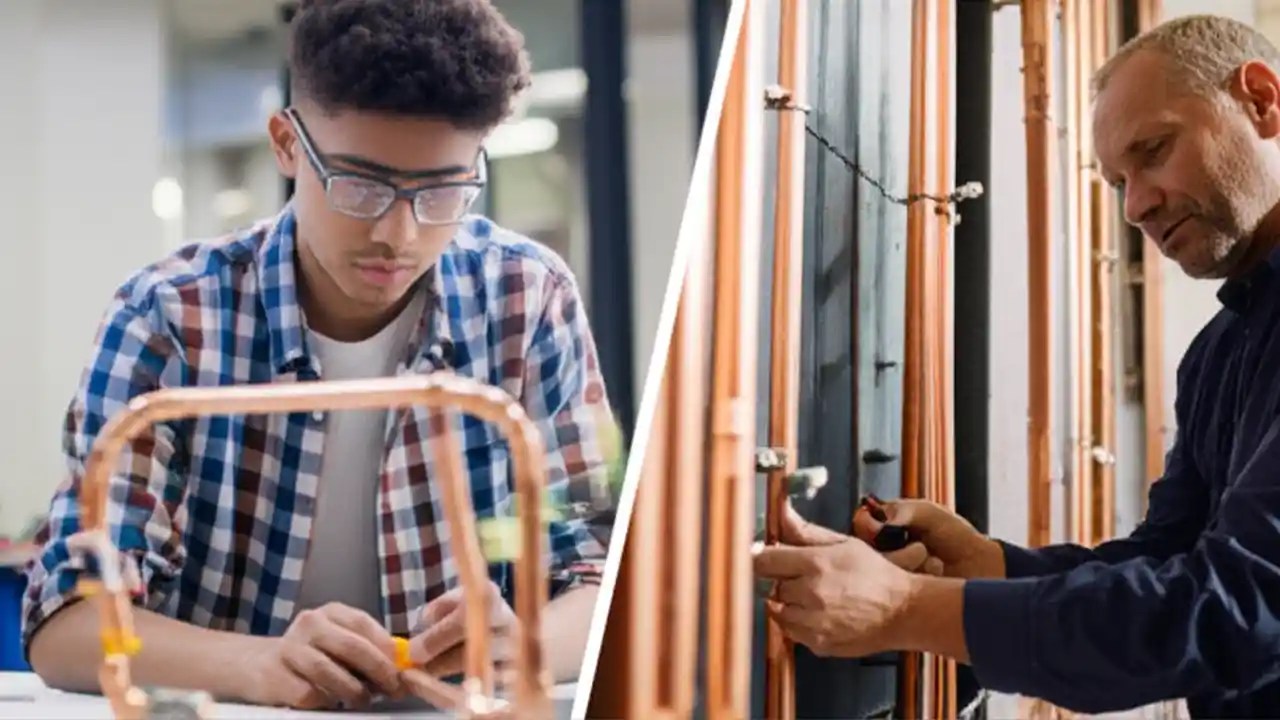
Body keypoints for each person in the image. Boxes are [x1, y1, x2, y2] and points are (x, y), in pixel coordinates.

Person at [22, 0, 612, 711]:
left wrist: (527, 643)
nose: (398, 234)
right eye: (360, 186)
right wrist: (255, 664)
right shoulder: (169, 315)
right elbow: (67, 624)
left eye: (442, 191)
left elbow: (603, 570)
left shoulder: (527, 296)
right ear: (286, 144)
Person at [753, 14, 1280, 719]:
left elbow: (1234, 610)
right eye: (1118, 180)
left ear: (1262, 99)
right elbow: (1166, 558)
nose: (1137, 206)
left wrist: (907, 607)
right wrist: (984, 566)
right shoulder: (1219, 351)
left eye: (1153, 151)